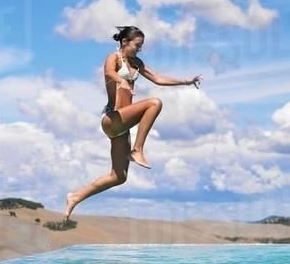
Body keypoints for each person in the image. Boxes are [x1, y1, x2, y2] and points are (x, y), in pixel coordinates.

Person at [63, 26, 202, 220]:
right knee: (154, 103)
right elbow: (109, 72)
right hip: (113, 118)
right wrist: (122, 80)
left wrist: (186, 81)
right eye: (137, 45)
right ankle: (137, 150)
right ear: (124, 42)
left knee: (118, 177)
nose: (139, 49)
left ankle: (75, 197)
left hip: (122, 126)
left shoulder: (136, 62)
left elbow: (158, 79)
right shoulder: (114, 58)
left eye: (141, 46)